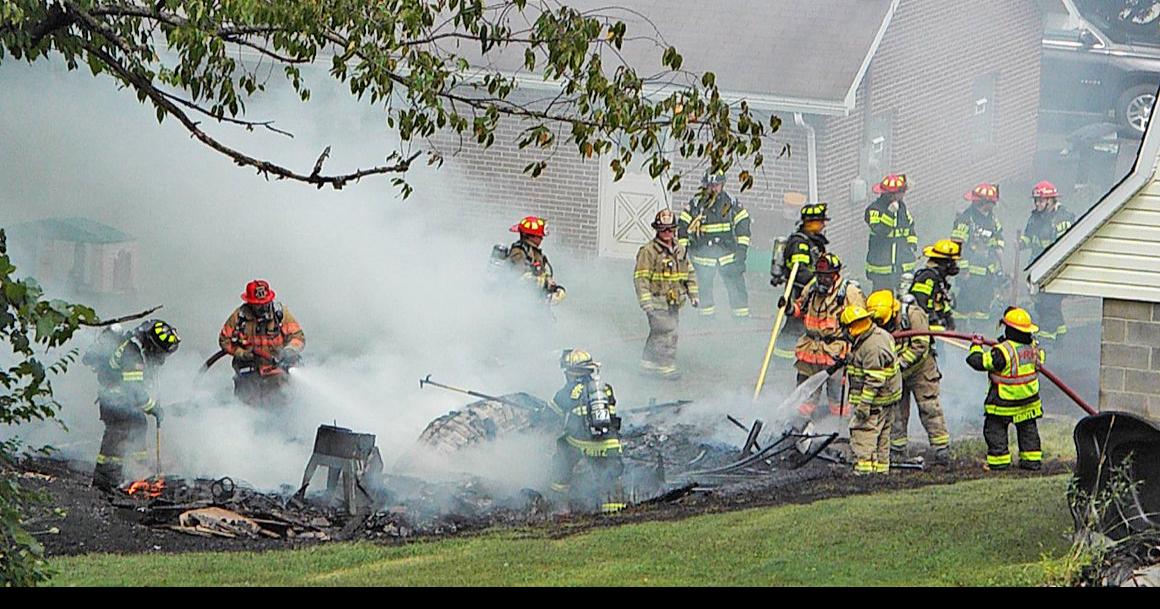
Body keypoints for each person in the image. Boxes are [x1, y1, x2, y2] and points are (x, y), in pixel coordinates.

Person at [84, 319, 180, 491]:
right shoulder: (133, 355)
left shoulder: (138, 346)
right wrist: (154, 408)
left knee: (138, 425)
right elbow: (135, 393)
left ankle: (134, 472)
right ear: (152, 345)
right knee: (119, 433)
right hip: (114, 401)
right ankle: (105, 479)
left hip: (121, 400)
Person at [866, 290, 950, 467]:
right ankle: (897, 449)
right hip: (897, 372)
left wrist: (900, 363)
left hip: (921, 369)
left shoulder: (913, 314)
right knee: (896, 411)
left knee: (929, 407)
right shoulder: (878, 322)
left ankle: (941, 448)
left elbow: (921, 345)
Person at [966, 307, 1046, 472]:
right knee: (1028, 431)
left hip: (1004, 402)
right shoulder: (1034, 349)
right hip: (1029, 403)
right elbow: (1038, 362)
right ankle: (1032, 461)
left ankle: (999, 462)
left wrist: (976, 346)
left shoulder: (1003, 351)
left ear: (1009, 328)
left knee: (995, 430)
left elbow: (978, 362)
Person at [787, 253, 864, 419]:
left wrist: (853, 351)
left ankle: (841, 427)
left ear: (835, 275)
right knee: (805, 393)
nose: (822, 280)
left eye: (826, 276)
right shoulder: (813, 287)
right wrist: (790, 308)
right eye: (820, 276)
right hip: (810, 349)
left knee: (837, 396)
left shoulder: (849, 292)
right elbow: (801, 306)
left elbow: (860, 322)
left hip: (835, 351)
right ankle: (799, 425)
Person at [548, 349, 625, 513]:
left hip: (580, 444)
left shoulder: (567, 392)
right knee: (610, 482)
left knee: (562, 457)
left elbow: (549, 415)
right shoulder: (605, 388)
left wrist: (537, 414)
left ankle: (559, 509)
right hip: (609, 444)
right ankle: (615, 517)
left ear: (570, 372)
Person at [219, 279, 305, 408]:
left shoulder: (280, 314)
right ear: (250, 303)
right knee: (247, 410)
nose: (262, 308)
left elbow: (298, 337)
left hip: (276, 372)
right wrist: (242, 353)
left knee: (281, 407)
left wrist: (289, 351)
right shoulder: (239, 317)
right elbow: (224, 340)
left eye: (265, 303)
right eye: (257, 305)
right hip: (250, 373)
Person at [634, 209, 699, 379]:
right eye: (663, 229)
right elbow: (641, 278)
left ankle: (647, 365)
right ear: (657, 230)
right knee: (668, 333)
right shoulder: (649, 251)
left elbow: (689, 273)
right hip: (657, 302)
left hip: (674, 302)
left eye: (670, 229)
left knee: (658, 334)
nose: (667, 233)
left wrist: (693, 295)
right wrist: (646, 302)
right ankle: (666, 368)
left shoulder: (680, 249)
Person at [678, 170, 752, 319]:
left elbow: (743, 224)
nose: (713, 188)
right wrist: (683, 253)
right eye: (710, 185)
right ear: (705, 185)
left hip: (729, 256)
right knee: (704, 291)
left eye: (716, 184)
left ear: (722, 184)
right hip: (702, 258)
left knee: (736, 290)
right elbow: (683, 226)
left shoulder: (731, 202)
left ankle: (741, 320)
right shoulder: (696, 204)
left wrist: (742, 250)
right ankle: (706, 321)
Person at [839, 304, 902, 475]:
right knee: (882, 436)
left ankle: (864, 472)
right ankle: (881, 471)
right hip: (887, 398)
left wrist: (864, 405)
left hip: (876, 400)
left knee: (863, 433)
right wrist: (852, 358)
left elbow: (874, 378)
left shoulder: (871, 347)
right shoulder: (878, 335)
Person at [770, 202, 831, 361]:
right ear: (811, 223)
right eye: (821, 221)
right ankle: (782, 360)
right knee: (794, 327)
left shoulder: (812, 241)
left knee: (801, 327)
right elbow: (801, 272)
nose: (823, 225)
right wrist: (821, 281)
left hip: (807, 293)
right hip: (798, 293)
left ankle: (793, 356)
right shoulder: (800, 244)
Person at [1020, 181, 1076, 341]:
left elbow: (1062, 248)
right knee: (1043, 305)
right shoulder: (1035, 218)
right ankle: (1060, 337)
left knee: (1048, 305)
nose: (1037, 204)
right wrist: (1022, 243)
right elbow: (1029, 237)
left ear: (1051, 200)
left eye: (1041, 200)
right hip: (1038, 268)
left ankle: (1047, 340)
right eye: (1036, 200)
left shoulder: (1062, 219)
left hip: (1055, 270)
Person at [951, 183, 1005, 330]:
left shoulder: (992, 220)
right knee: (963, 308)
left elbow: (997, 241)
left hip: (987, 275)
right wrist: (963, 271)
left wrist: (1000, 268)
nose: (994, 205)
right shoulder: (966, 219)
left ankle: (979, 335)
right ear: (984, 203)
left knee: (982, 309)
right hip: (969, 275)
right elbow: (957, 246)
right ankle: (959, 335)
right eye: (992, 202)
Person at [864, 174, 919, 293]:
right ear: (889, 194)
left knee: (905, 301)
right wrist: (889, 213)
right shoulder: (874, 210)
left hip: (903, 266)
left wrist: (911, 244)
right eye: (900, 193)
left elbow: (910, 227)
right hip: (882, 269)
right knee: (882, 303)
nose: (902, 196)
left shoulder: (902, 207)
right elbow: (880, 231)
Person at [500, 215, 566, 306]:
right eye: (539, 236)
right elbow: (520, 276)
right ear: (529, 236)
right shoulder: (518, 252)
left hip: (532, 301)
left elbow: (542, 272)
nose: (542, 239)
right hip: (516, 303)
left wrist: (555, 288)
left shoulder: (536, 253)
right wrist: (544, 282)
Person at [909, 239, 962, 331]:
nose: (955, 266)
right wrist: (934, 321)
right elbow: (920, 303)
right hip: (927, 329)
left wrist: (949, 320)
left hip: (938, 329)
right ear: (944, 262)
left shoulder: (939, 278)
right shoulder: (927, 278)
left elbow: (940, 304)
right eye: (952, 262)